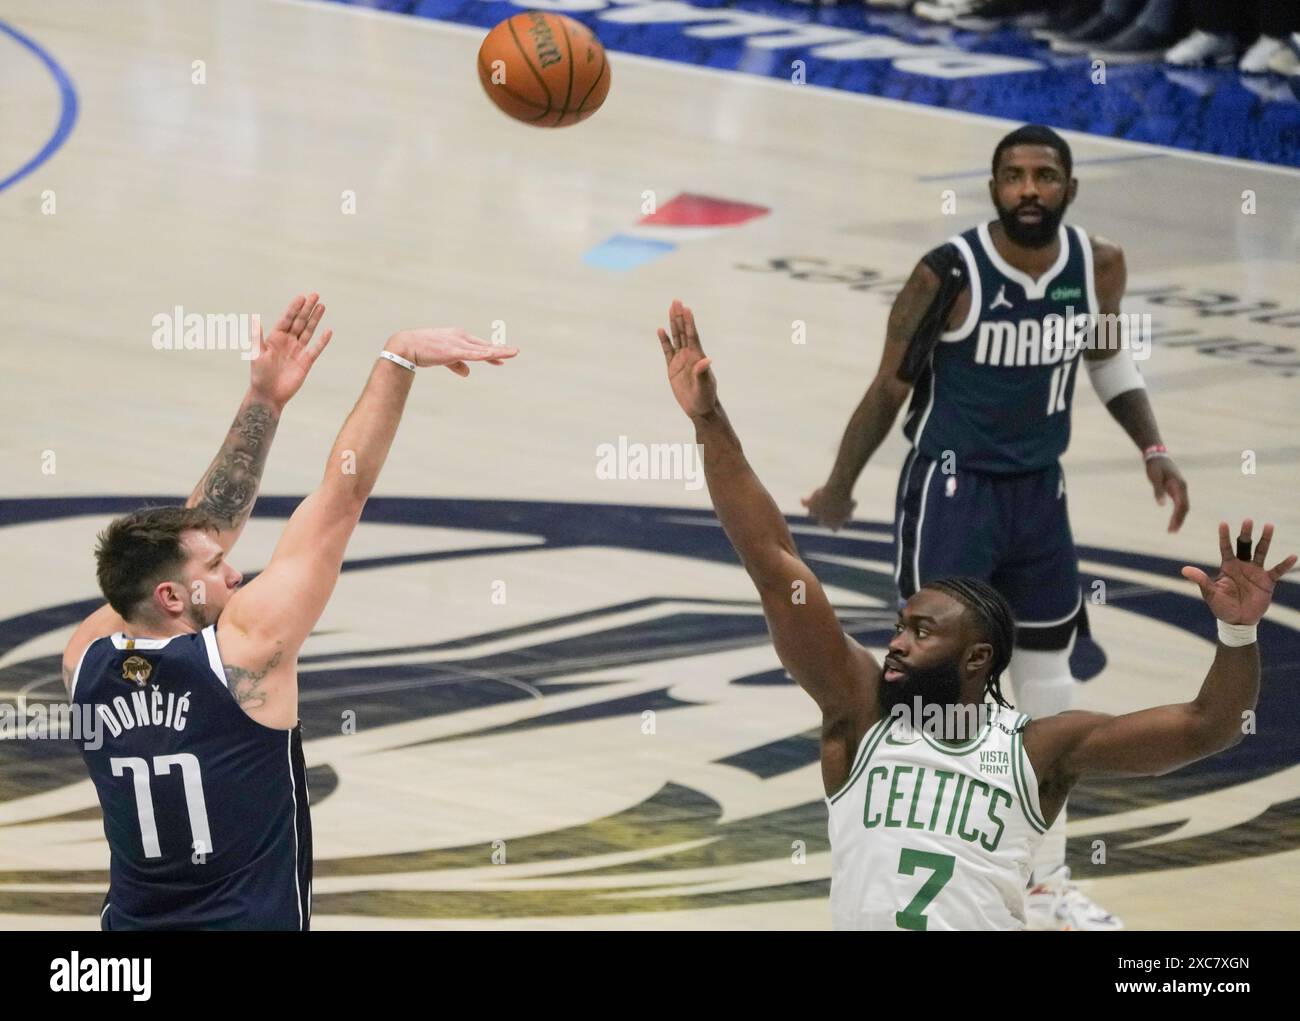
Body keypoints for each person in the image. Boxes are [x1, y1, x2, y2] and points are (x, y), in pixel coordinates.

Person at [656, 296, 1294, 931]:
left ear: (978, 658)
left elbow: (1206, 727)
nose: (897, 643)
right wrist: (710, 422)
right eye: (901, 626)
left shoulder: (1037, 750)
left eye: (922, 631)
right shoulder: (860, 713)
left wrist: (1237, 633)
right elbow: (775, 564)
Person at [802, 124, 1189, 929]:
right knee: (933, 683)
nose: (1028, 191)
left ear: (1070, 188)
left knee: (1051, 677)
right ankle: (901, 850)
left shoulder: (1099, 264)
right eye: (1012, 176)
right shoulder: (948, 272)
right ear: (991, 187)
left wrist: (1152, 446)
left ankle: (1044, 881)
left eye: (1044, 176)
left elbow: (1108, 359)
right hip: (953, 487)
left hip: (1038, 490)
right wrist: (841, 484)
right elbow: (888, 388)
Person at [63, 294, 516, 929]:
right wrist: (399, 358)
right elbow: (344, 493)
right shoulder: (248, 648)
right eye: (216, 569)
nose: (235, 570)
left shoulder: (86, 660)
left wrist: (265, 402)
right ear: (171, 598)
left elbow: (192, 536)